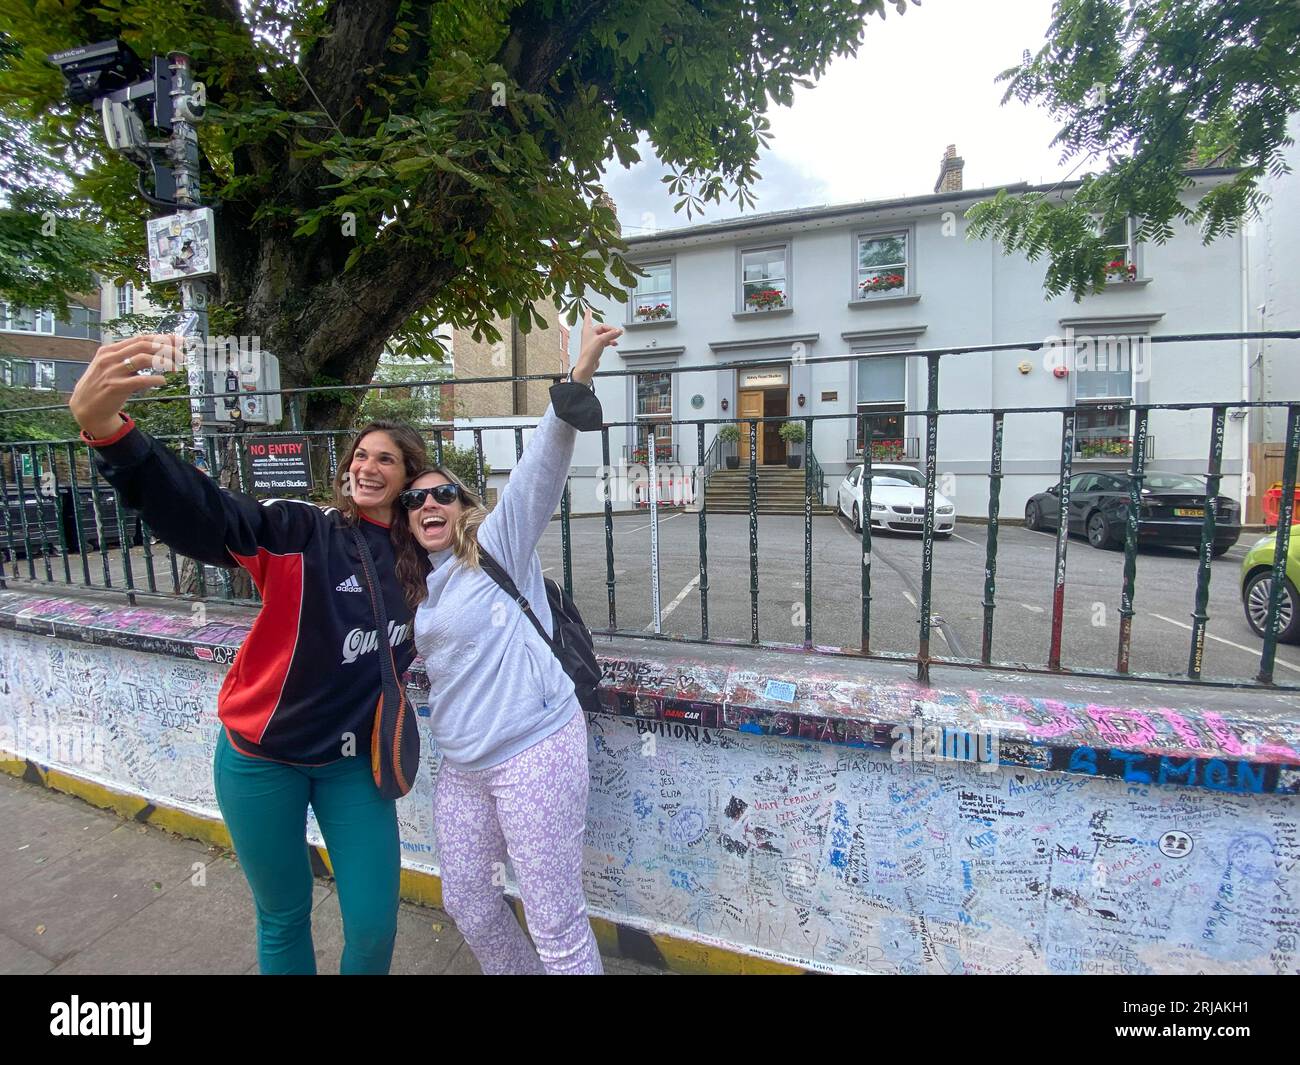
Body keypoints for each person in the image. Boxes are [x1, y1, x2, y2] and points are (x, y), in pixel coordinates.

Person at [68, 333, 430, 974]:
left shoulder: (424, 560)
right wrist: (113, 438)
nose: (366, 467)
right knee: (284, 916)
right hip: (262, 762)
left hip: (355, 766)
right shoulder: (303, 530)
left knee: (373, 925)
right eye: (359, 456)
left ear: (408, 479)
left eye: (386, 460)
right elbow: (211, 516)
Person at [395, 309, 620, 974]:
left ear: (461, 504)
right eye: (415, 500)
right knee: (468, 900)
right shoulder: (407, 584)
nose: (429, 503)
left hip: (536, 747)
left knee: (556, 921)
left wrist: (576, 374)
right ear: (404, 521)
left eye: (442, 493)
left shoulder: (497, 545)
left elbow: (539, 467)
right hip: (464, 763)